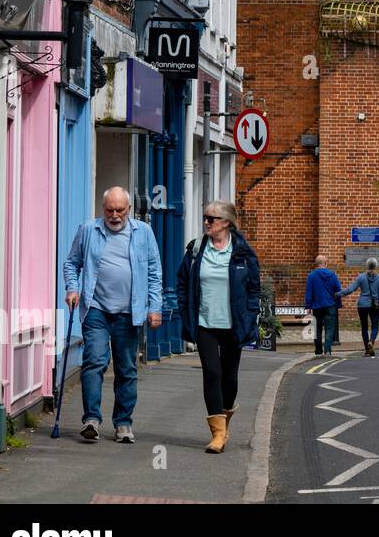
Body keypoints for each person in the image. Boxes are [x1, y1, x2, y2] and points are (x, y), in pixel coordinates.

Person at [62, 187, 163, 445]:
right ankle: (91, 420)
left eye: (120, 210)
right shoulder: (88, 230)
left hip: (130, 311)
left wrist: (155, 307)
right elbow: (71, 263)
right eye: (110, 210)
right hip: (95, 308)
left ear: (129, 209)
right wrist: (72, 288)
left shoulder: (144, 233)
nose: (115, 215)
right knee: (94, 361)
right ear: (102, 208)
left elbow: (154, 272)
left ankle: (123, 423)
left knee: (126, 369)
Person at [176, 201, 261, 454]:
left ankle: (225, 414)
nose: (206, 222)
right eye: (205, 218)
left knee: (229, 377)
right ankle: (218, 433)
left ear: (226, 222)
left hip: (233, 324)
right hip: (204, 323)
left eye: (211, 219)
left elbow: (254, 288)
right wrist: (185, 310)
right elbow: (182, 282)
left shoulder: (243, 252)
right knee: (212, 372)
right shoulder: (196, 248)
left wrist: (251, 314)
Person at [339, 259, 379, 357]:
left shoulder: (361, 277)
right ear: (376, 266)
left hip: (362, 305)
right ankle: (371, 342)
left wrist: (338, 294)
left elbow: (350, 289)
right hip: (375, 305)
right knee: (375, 326)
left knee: (364, 327)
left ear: (367, 265)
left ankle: (367, 351)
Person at [304, 256, 342, 357]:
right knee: (329, 328)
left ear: (317, 263)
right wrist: (338, 304)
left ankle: (318, 351)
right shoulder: (332, 275)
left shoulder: (312, 275)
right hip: (330, 305)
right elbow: (338, 290)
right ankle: (328, 350)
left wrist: (308, 306)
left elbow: (309, 292)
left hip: (317, 306)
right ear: (326, 263)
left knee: (317, 328)